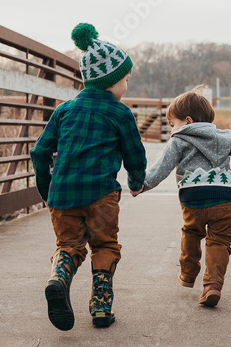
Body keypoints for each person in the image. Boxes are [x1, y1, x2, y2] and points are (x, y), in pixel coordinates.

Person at [31, 23, 147, 330]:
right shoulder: (120, 113)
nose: (127, 85)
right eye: (126, 79)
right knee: (104, 244)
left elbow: (39, 153)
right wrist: (136, 182)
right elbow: (135, 156)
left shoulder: (64, 110)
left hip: (62, 196)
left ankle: (59, 276)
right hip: (101, 196)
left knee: (69, 245)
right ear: (111, 82)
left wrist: (47, 190)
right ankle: (100, 306)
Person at [132, 86, 231, 307]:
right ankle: (212, 285)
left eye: (173, 124)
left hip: (193, 199)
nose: (172, 129)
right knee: (219, 241)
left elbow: (162, 167)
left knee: (191, 232)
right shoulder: (226, 137)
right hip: (225, 199)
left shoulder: (179, 141)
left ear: (188, 121)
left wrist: (142, 184)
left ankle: (188, 274)